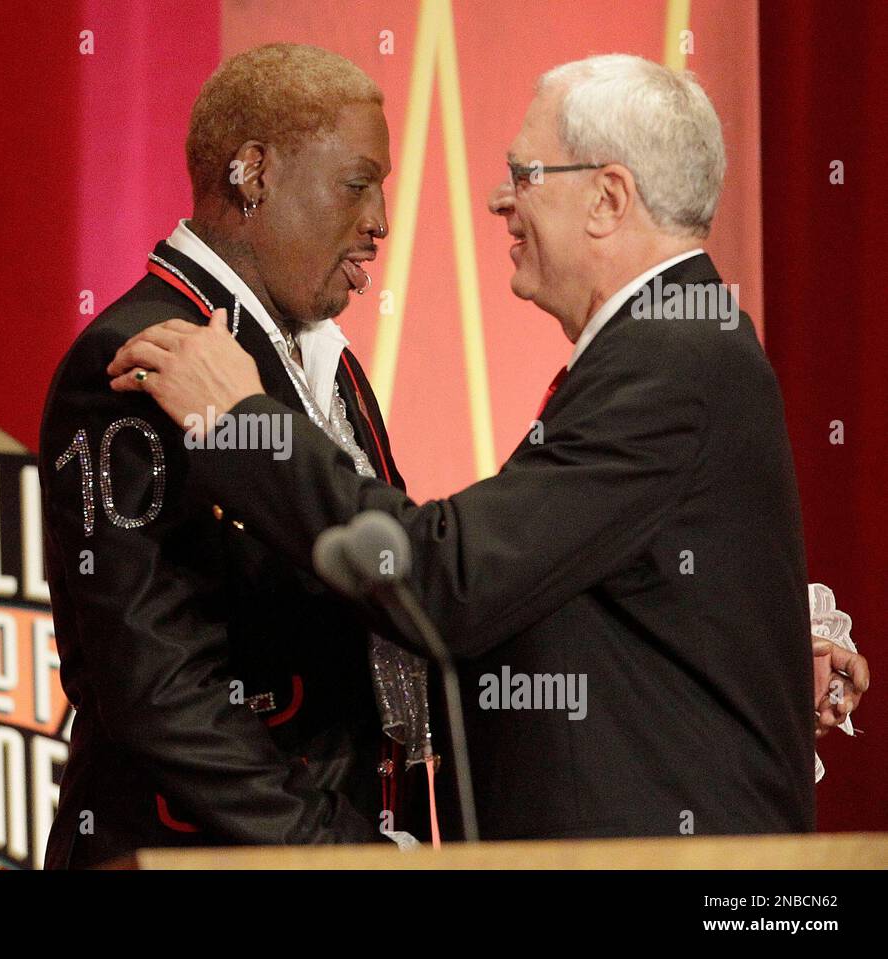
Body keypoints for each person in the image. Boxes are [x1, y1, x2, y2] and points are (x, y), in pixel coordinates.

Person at [108, 54, 869, 838]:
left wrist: (242, 422)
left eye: (526, 174)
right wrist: (757, 643)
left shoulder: (668, 358)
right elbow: (571, 603)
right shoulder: (674, 340)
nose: (501, 199)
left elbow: (452, 582)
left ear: (607, 198)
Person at [39, 43, 426, 868]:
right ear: (253, 172)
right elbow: (155, 689)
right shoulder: (134, 359)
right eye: (358, 182)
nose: (381, 221)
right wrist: (335, 855)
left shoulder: (331, 362)